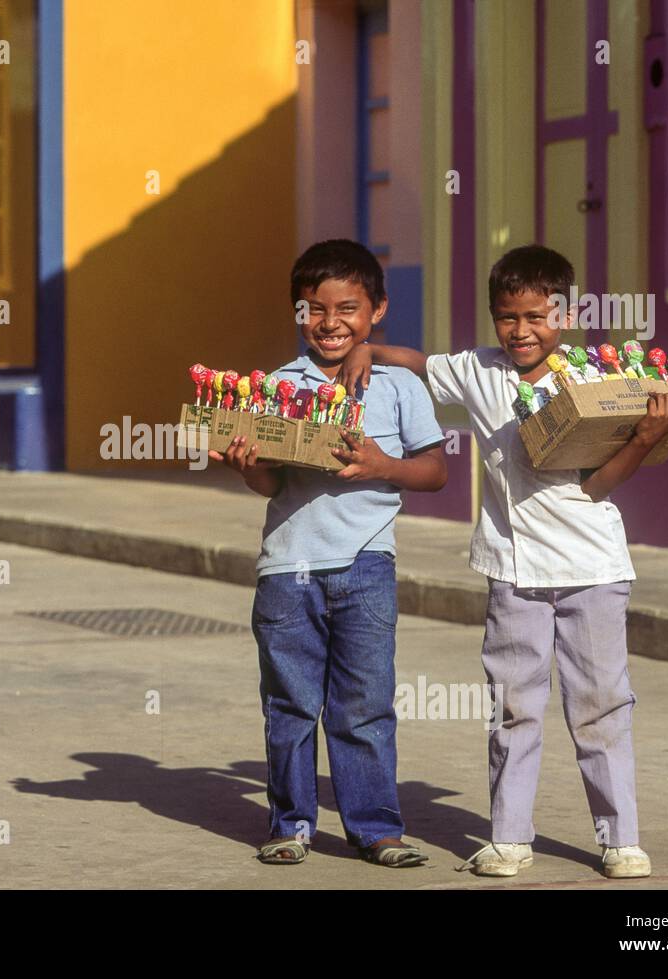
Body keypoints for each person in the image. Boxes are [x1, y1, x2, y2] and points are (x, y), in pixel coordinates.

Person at [336, 244, 668, 878]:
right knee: (512, 707)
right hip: (513, 572)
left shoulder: (593, 381)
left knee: (601, 706)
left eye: (536, 317)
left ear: (568, 313)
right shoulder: (479, 371)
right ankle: (509, 837)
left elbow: (599, 484)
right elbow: (421, 364)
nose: (521, 332)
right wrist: (372, 349)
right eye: (506, 317)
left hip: (593, 569)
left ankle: (618, 838)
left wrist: (643, 437)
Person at [211, 239, 447, 866]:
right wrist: (245, 467)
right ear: (298, 314)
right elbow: (270, 482)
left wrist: (381, 464)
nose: (330, 322)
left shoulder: (397, 386)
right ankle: (290, 824)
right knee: (290, 704)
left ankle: (376, 828)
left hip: (368, 563)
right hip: (289, 567)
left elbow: (434, 471)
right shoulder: (275, 387)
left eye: (348, 308)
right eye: (315, 309)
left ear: (377, 311)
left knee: (365, 704)